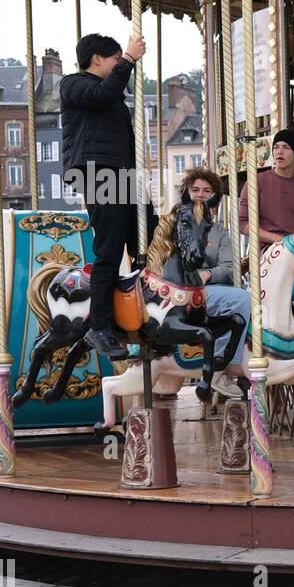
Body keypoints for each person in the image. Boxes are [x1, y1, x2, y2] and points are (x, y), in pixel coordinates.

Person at [60, 31, 146, 360]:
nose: (116, 65)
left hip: (122, 174)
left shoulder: (108, 95)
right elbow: (104, 92)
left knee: (146, 237)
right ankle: (100, 324)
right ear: (97, 59)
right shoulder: (74, 84)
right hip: (99, 173)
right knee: (109, 249)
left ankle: (137, 312)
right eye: (112, 60)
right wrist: (128, 58)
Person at [146, 169, 250, 389]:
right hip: (179, 291)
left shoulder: (219, 232)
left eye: (207, 190)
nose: (200, 195)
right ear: (186, 193)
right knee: (243, 300)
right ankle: (220, 367)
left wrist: (208, 273)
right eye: (195, 190)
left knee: (243, 300)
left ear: (213, 197)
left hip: (209, 288)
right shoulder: (175, 223)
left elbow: (230, 267)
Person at [238, 129, 294, 346]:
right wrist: (280, 240)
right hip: (269, 250)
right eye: (276, 147)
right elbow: (243, 224)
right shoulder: (257, 182)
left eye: (285, 147)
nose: (279, 151)